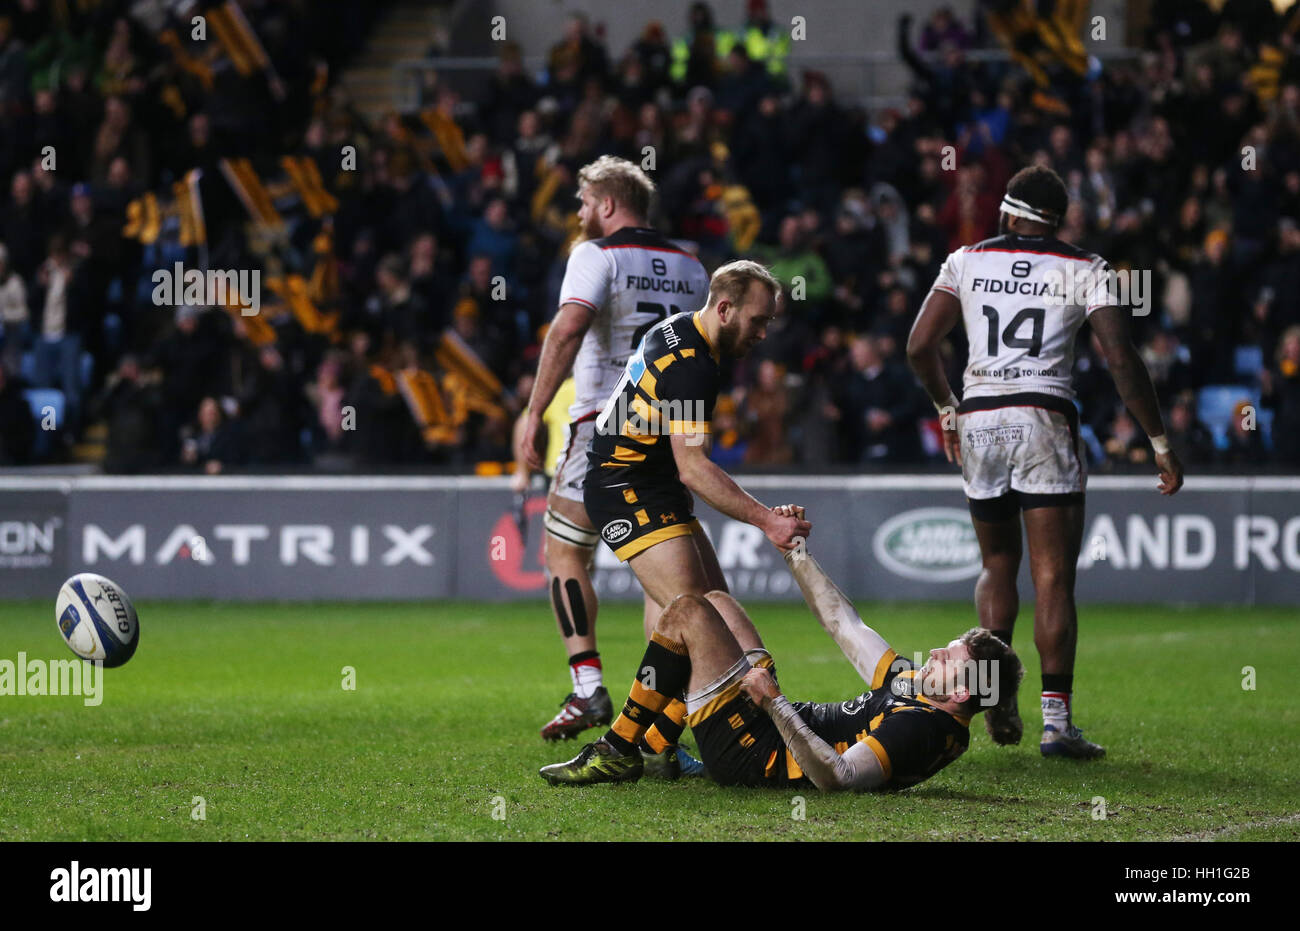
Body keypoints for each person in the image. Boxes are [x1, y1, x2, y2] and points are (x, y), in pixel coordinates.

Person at [907, 165, 1184, 761]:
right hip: (1043, 416)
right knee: (1053, 576)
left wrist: (946, 409)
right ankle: (1056, 724)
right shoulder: (1084, 268)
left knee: (996, 563)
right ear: (1059, 220)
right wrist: (1158, 441)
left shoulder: (965, 259)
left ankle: (985, 692)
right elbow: (1119, 355)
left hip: (980, 418)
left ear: (1007, 213)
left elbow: (918, 345)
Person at [540, 523, 1022, 790]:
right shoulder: (918, 691)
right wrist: (796, 553)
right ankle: (658, 748)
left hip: (753, 756)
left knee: (687, 614)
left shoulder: (922, 728)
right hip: (768, 724)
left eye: (949, 657)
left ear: (962, 691)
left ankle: (619, 750)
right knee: (718, 605)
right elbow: (844, 624)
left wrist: (773, 704)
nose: (935, 652)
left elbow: (839, 777)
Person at [515, 155, 713, 761]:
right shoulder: (693, 267)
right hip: (667, 428)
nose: (578, 215)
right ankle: (660, 728)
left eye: (582, 204)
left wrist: (534, 408)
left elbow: (569, 327)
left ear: (606, 203)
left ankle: (589, 688)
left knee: (564, 551)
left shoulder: (594, 254)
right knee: (666, 577)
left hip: (604, 421)